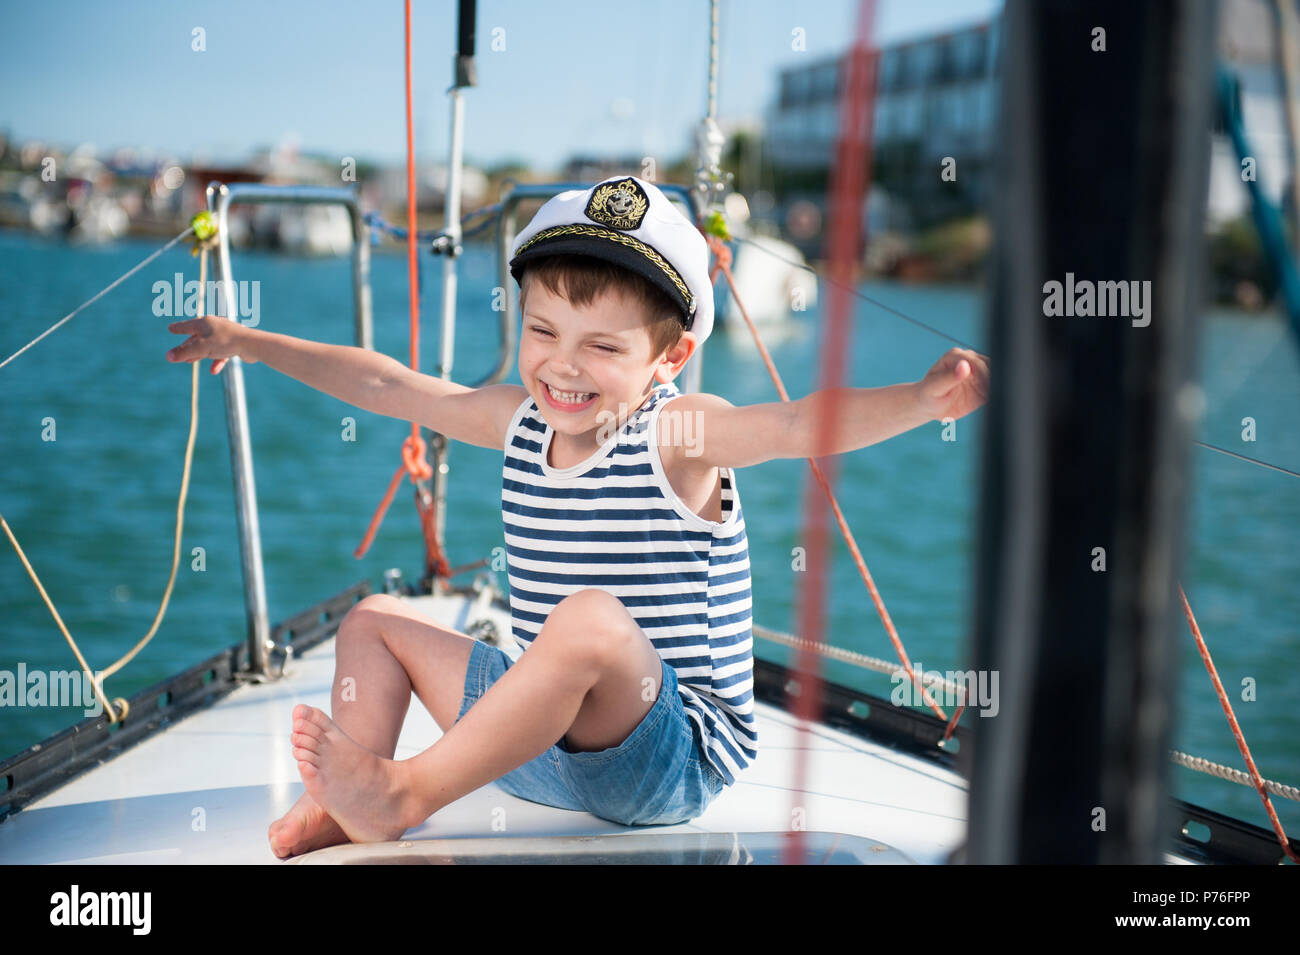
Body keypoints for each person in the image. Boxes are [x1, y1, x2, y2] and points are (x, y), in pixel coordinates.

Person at [164, 175, 990, 858]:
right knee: (373, 621)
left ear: (670, 357)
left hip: (667, 758)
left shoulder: (676, 432)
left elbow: (794, 423)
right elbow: (389, 386)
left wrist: (922, 399)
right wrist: (249, 340)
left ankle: (405, 789)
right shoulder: (520, 419)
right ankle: (356, 802)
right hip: (538, 752)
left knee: (590, 620)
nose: (562, 365)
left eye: (603, 346)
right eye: (542, 331)